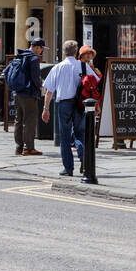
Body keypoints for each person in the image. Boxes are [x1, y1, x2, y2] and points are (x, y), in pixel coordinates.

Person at [41, 40, 85, 177]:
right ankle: (85, 160)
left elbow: (49, 91)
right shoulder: (82, 66)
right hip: (79, 104)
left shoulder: (58, 67)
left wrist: (46, 108)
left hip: (64, 104)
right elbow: (94, 82)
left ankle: (68, 168)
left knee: (65, 137)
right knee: (80, 134)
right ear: (76, 52)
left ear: (64, 52)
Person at [9, 38, 46, 157]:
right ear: (36, 47)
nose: (41, 52)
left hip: (17, 92)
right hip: (29, 94)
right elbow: (35, 77)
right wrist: (41, 87)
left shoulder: (20, 55)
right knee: (29, 120)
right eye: (41, 49)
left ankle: (19, 148)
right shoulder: (34, 58)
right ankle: (29, 148)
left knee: (18, 120)